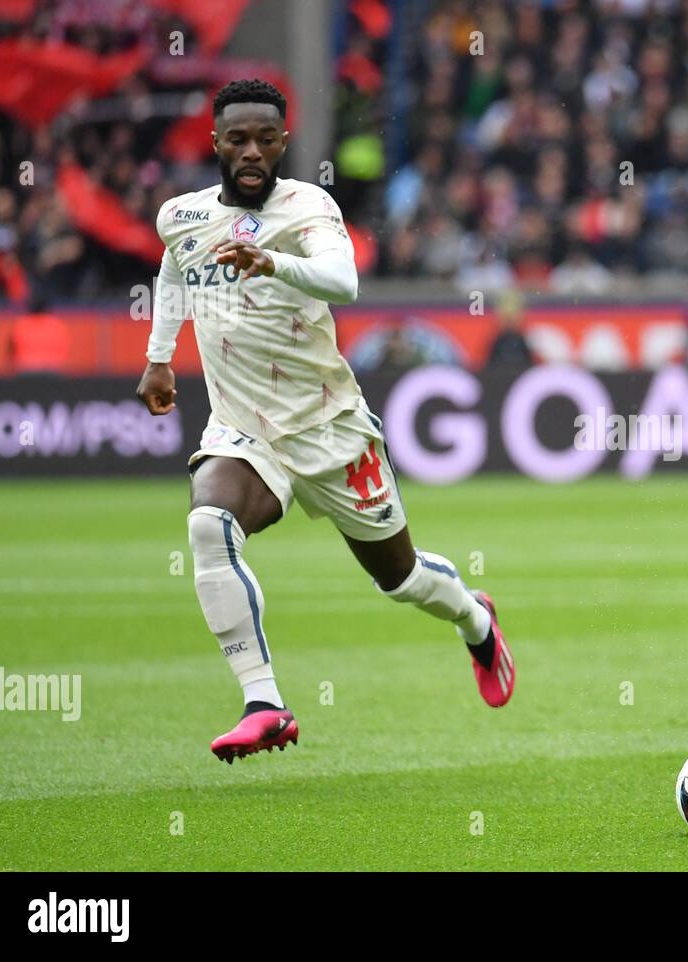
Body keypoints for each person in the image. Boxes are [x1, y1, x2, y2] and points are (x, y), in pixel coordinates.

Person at [135, 80, 515, 764]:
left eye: (265, 139)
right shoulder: (182, 216)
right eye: (237, 138)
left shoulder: (307, 207)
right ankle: (264, 702)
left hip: (329, 427)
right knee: (207, 525)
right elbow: (174, 271)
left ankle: (476, 620)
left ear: (283, 142)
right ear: (216, 143)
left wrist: (272, 261)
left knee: (400, 580)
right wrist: (160, 356)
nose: (251, 151)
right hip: (244, 431)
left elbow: (344, 281)